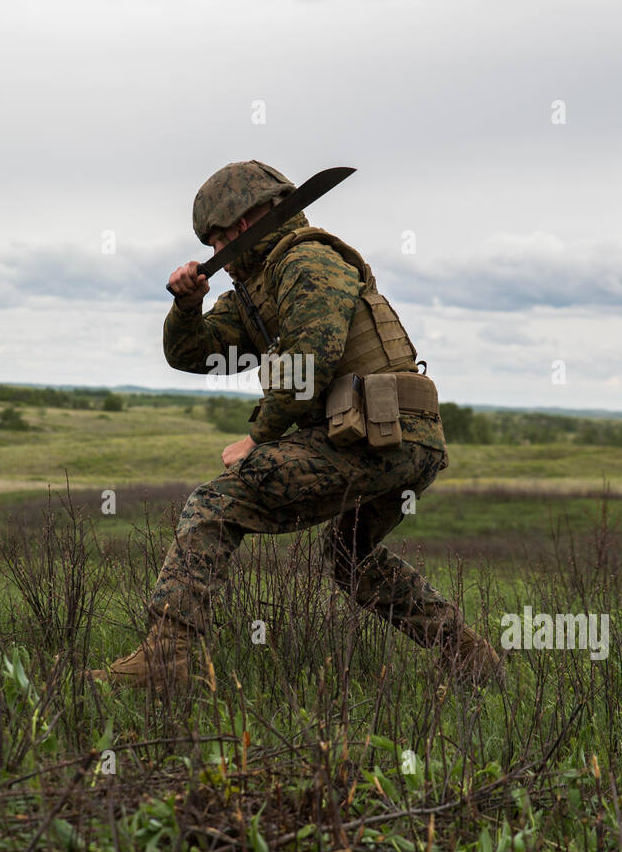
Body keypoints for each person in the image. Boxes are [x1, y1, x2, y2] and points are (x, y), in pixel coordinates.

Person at [89, 160, 502, 690]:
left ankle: (165, 664)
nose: (217, 256)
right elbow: (192, 354)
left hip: (386, 437)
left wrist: (258, 437)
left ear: (240, 226)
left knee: (214, 504)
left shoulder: (307, 260)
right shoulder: (254, 294)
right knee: (349, 558)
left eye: (216, 242)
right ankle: (470, 658)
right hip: (384, 439)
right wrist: (187, 308)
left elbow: (312, 357)